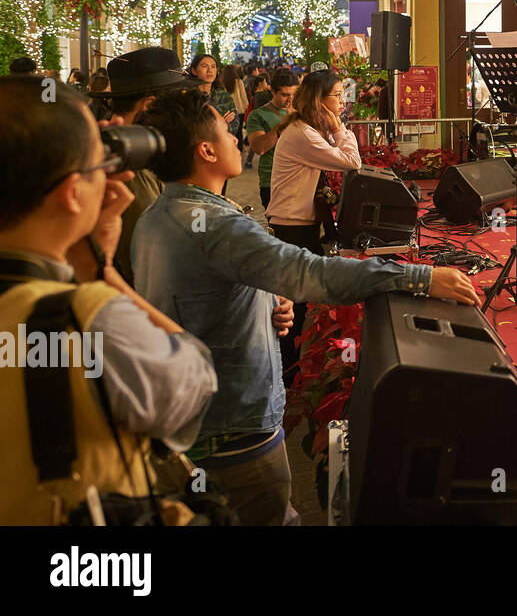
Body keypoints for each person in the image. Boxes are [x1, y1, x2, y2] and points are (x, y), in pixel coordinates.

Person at [132, 89, 479, 526]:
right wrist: (420, 277)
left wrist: (262, 301)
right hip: (234, 433)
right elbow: (314, 274)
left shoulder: (158, 214)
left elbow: (193, 297)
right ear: (205, 150)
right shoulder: (217, 225)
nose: (236, 140)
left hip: (194, 423)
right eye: (226, 132)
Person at [0, 78, 217, 525]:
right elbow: (195, 379)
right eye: (97, 159)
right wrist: (101, 271)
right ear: (71, 193)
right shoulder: (84, 319)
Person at [266, 70, 358, 361]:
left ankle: (289, 368)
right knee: (295, 304)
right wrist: (339, 127)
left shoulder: (306, 129)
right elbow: (351, 162)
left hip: (296, 222)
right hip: (292, 225)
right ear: (319, 99)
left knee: (298, 302)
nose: (342, 101)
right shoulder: (304, 133)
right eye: (338, 95)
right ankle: (287, 371)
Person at [88, 47, 197, 287]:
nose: (186, 114)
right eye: (180, 102)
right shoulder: (124, 166)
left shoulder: (142, 153)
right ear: (150, 104)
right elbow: (148, 265)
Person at [245, 70, 299, 211]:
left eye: (294, 94)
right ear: (273, 92)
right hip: (272, 181)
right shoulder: (257, 115)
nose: (290, 100)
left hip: (300, 179)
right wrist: (285, 123)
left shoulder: (301, 112)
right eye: (285, 95)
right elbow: (259, 147)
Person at [188, 53, 238, 136]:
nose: (209, 70)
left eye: (213, 66)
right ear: (194, 71)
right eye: (204, 66)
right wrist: (220, 124)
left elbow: (234, 123)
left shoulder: (223, 96)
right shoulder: (188, 96)